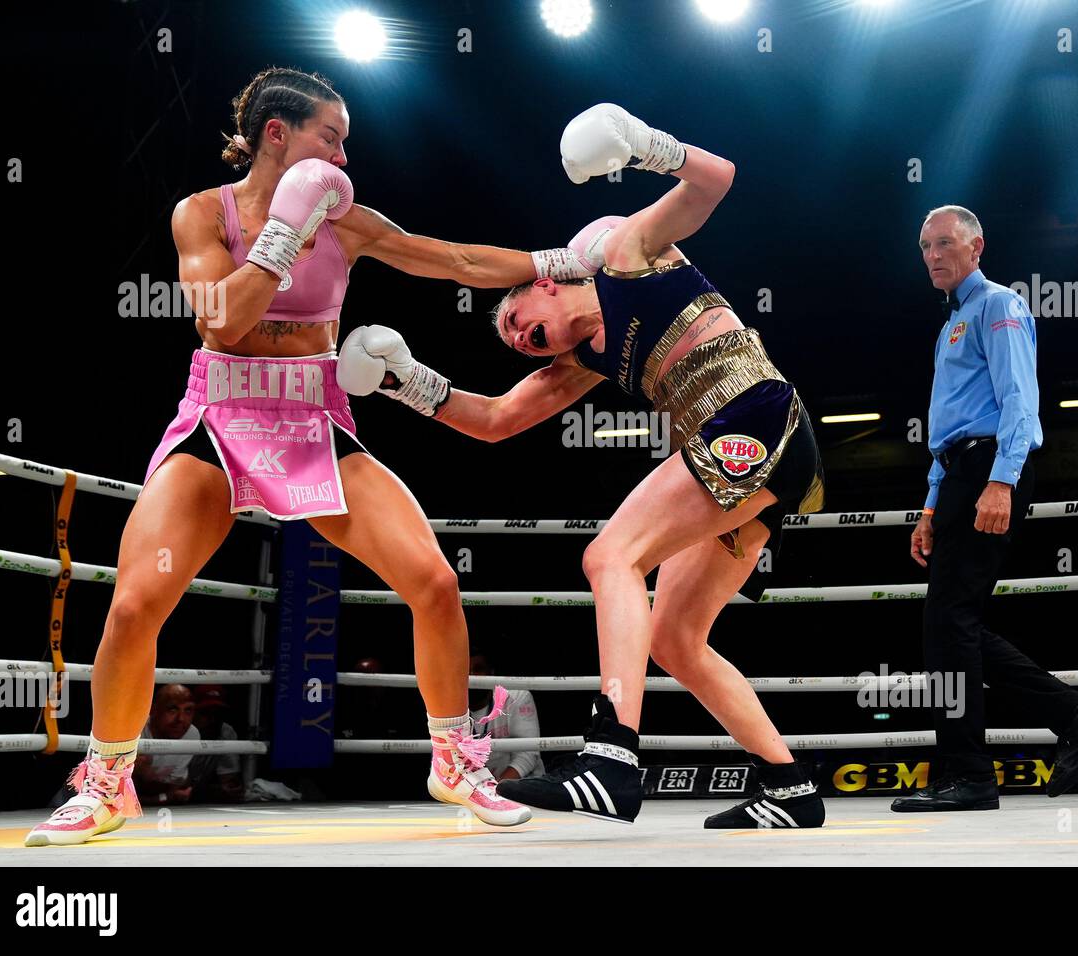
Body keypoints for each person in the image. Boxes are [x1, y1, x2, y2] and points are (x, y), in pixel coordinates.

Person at [25, 67, 609, 847]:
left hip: (313, 416)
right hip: (221, 414)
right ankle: (105, 783)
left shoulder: (350, 221)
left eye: (344, 143)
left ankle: (454, 761)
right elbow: (220, 326)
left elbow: (456, 261)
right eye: (329, 137)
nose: (341, 157)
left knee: (434, 581)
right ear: (278, 134)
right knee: (134, 604)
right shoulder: (202, 214)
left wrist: (559, 263)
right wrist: (282, 234)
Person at [339, 104, 826, 829]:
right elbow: (498, 420)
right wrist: (404, 379)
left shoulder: (629, 253)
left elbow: (715, 181)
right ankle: (790, 786)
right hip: (744, 454)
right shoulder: (579, 363)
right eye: (515, 347)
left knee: (610, 557)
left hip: (754, 415)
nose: (524, 343)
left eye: (515, 323)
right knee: (674, 640)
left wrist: (643, 145)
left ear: (544, 283)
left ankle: (610, 756)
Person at [892, 205, 1078, 811]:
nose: (933, 255)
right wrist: (932, 506)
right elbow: (948, 426)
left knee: (950, 622)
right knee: (950, 624)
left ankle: (972, 773)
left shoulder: (999, 305)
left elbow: (1020, 398)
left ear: (976, 247)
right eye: (924, 247)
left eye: (944, 243)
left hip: (992, 467)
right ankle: (1071, 714)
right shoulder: (952, 323)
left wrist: (1003, 481)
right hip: (963, 472)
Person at [468, 644, 543, 782]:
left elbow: (528, 754)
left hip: (524, 787)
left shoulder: (516, 697)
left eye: (478, 669)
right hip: (473, 793)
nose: (472, 677)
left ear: (491, 673)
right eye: (465, 671)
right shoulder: (448, 708)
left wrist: (495, 791)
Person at [135, 685, 200, 806]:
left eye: (188, 710)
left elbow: (175, 789)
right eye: (172, 710)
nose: (181, 719)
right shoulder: (134, 731)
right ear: (153, 710)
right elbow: (118, 792)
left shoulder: (191, 734)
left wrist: (146, 777)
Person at [187, 685, 245, 803]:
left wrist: (228, 789)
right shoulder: (177, 730)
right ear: (191, 712)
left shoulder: (225, 732)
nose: (212, 719)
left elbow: (230, 781)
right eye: (205, 713)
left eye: (217, 713)